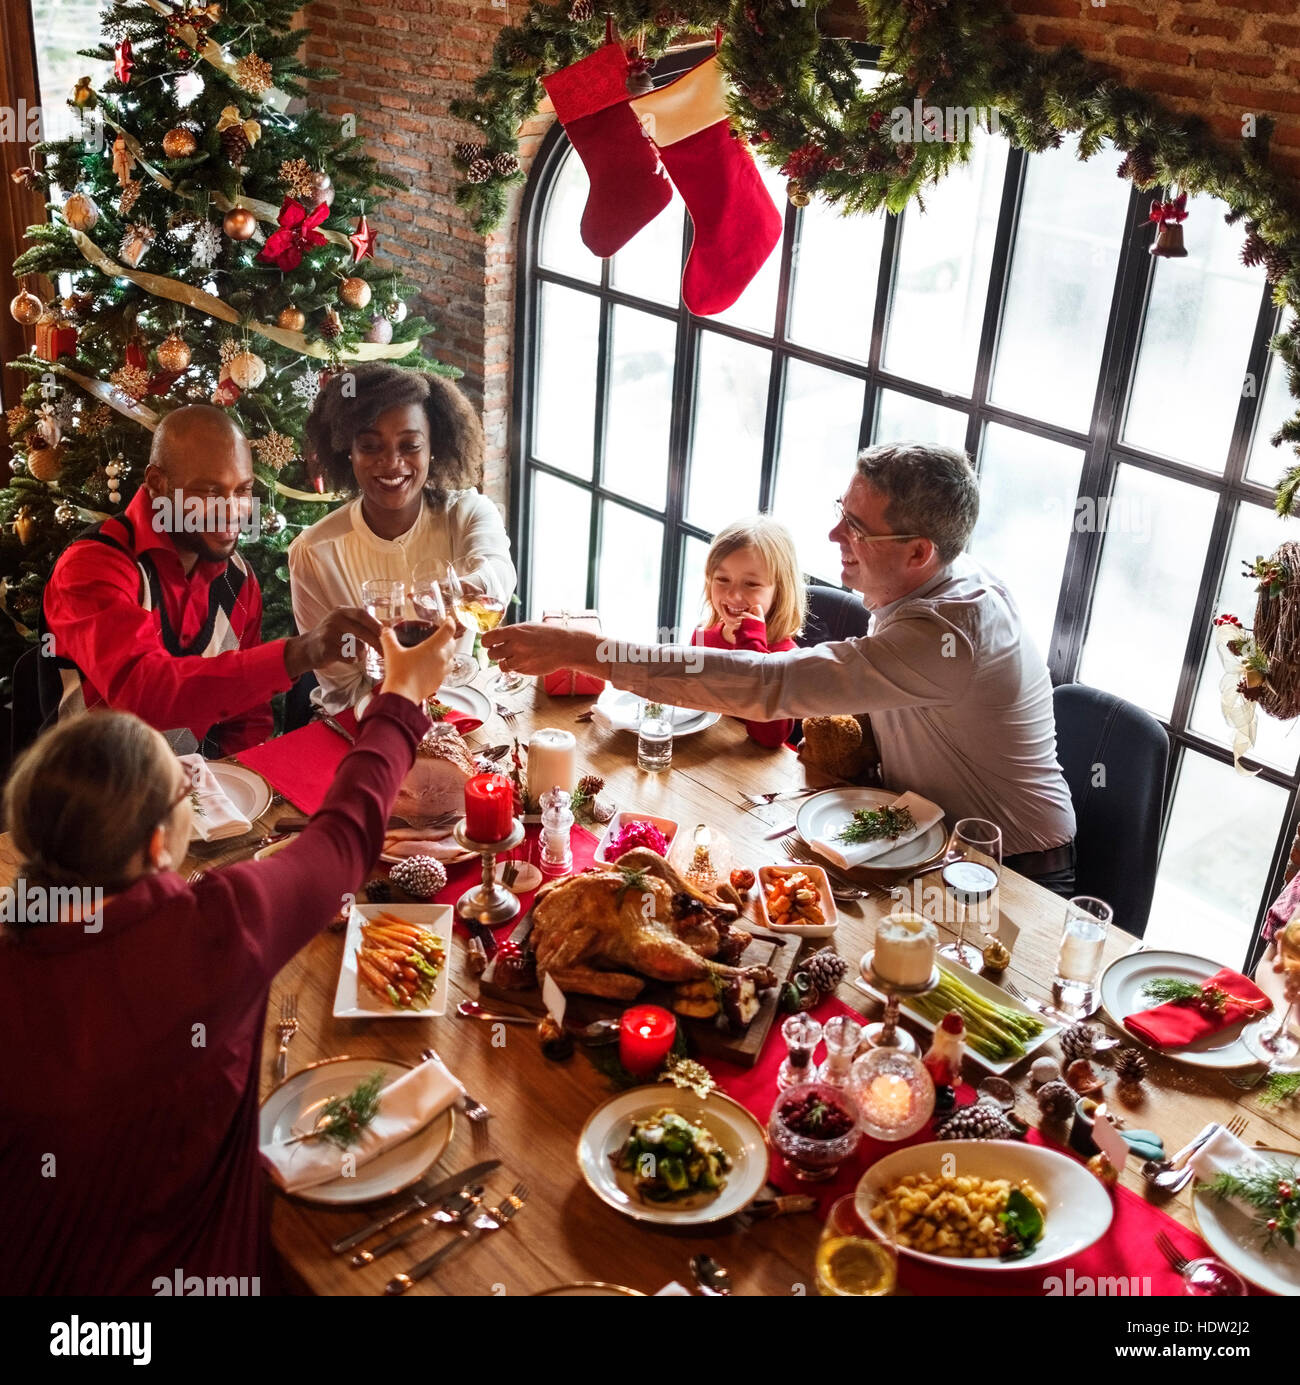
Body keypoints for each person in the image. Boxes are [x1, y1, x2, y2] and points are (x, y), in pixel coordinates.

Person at [0, 615, 457, 1295]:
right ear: (159, 844)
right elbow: (345, 837)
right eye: (186, 784)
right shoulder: (212, 931)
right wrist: (400, 701)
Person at [486, 442, 1078, 891]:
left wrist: (583, 650)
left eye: (857, 527)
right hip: (916, 830)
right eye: (841, 512)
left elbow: (770, 683)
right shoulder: (925, 582)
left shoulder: (948, 634)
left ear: (920, 551)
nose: (833, 533)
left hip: (1007, 866)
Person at [41, 405, 380, 756]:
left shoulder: (239, 578)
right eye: (209, 492)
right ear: (158, 484)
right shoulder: (92, 566)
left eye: (243, 490)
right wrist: (301, 652)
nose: (233, 512)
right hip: (87, 794)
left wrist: (237, 785)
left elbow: (247, 720)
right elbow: (143, 691)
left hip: (195, 793)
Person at [290, 364, 517, 712]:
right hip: (364, 725)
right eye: (369, 446)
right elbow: (340, 691)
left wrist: (466, 591)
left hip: (461, 714)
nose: (392, 462)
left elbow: (499, 574)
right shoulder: (313, 552)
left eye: (410, 445)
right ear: (346, 451)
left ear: (433, 448)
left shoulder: (469, 512)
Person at [692, 517, 804, 748]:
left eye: (751, 584)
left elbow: (770, 738)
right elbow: (693, 709)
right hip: (707, 760)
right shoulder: (703, 635)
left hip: (757, 773)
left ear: (779, 591)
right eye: (722, 579)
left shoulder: (786, 656)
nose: (733, 595)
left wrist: (750, 644)